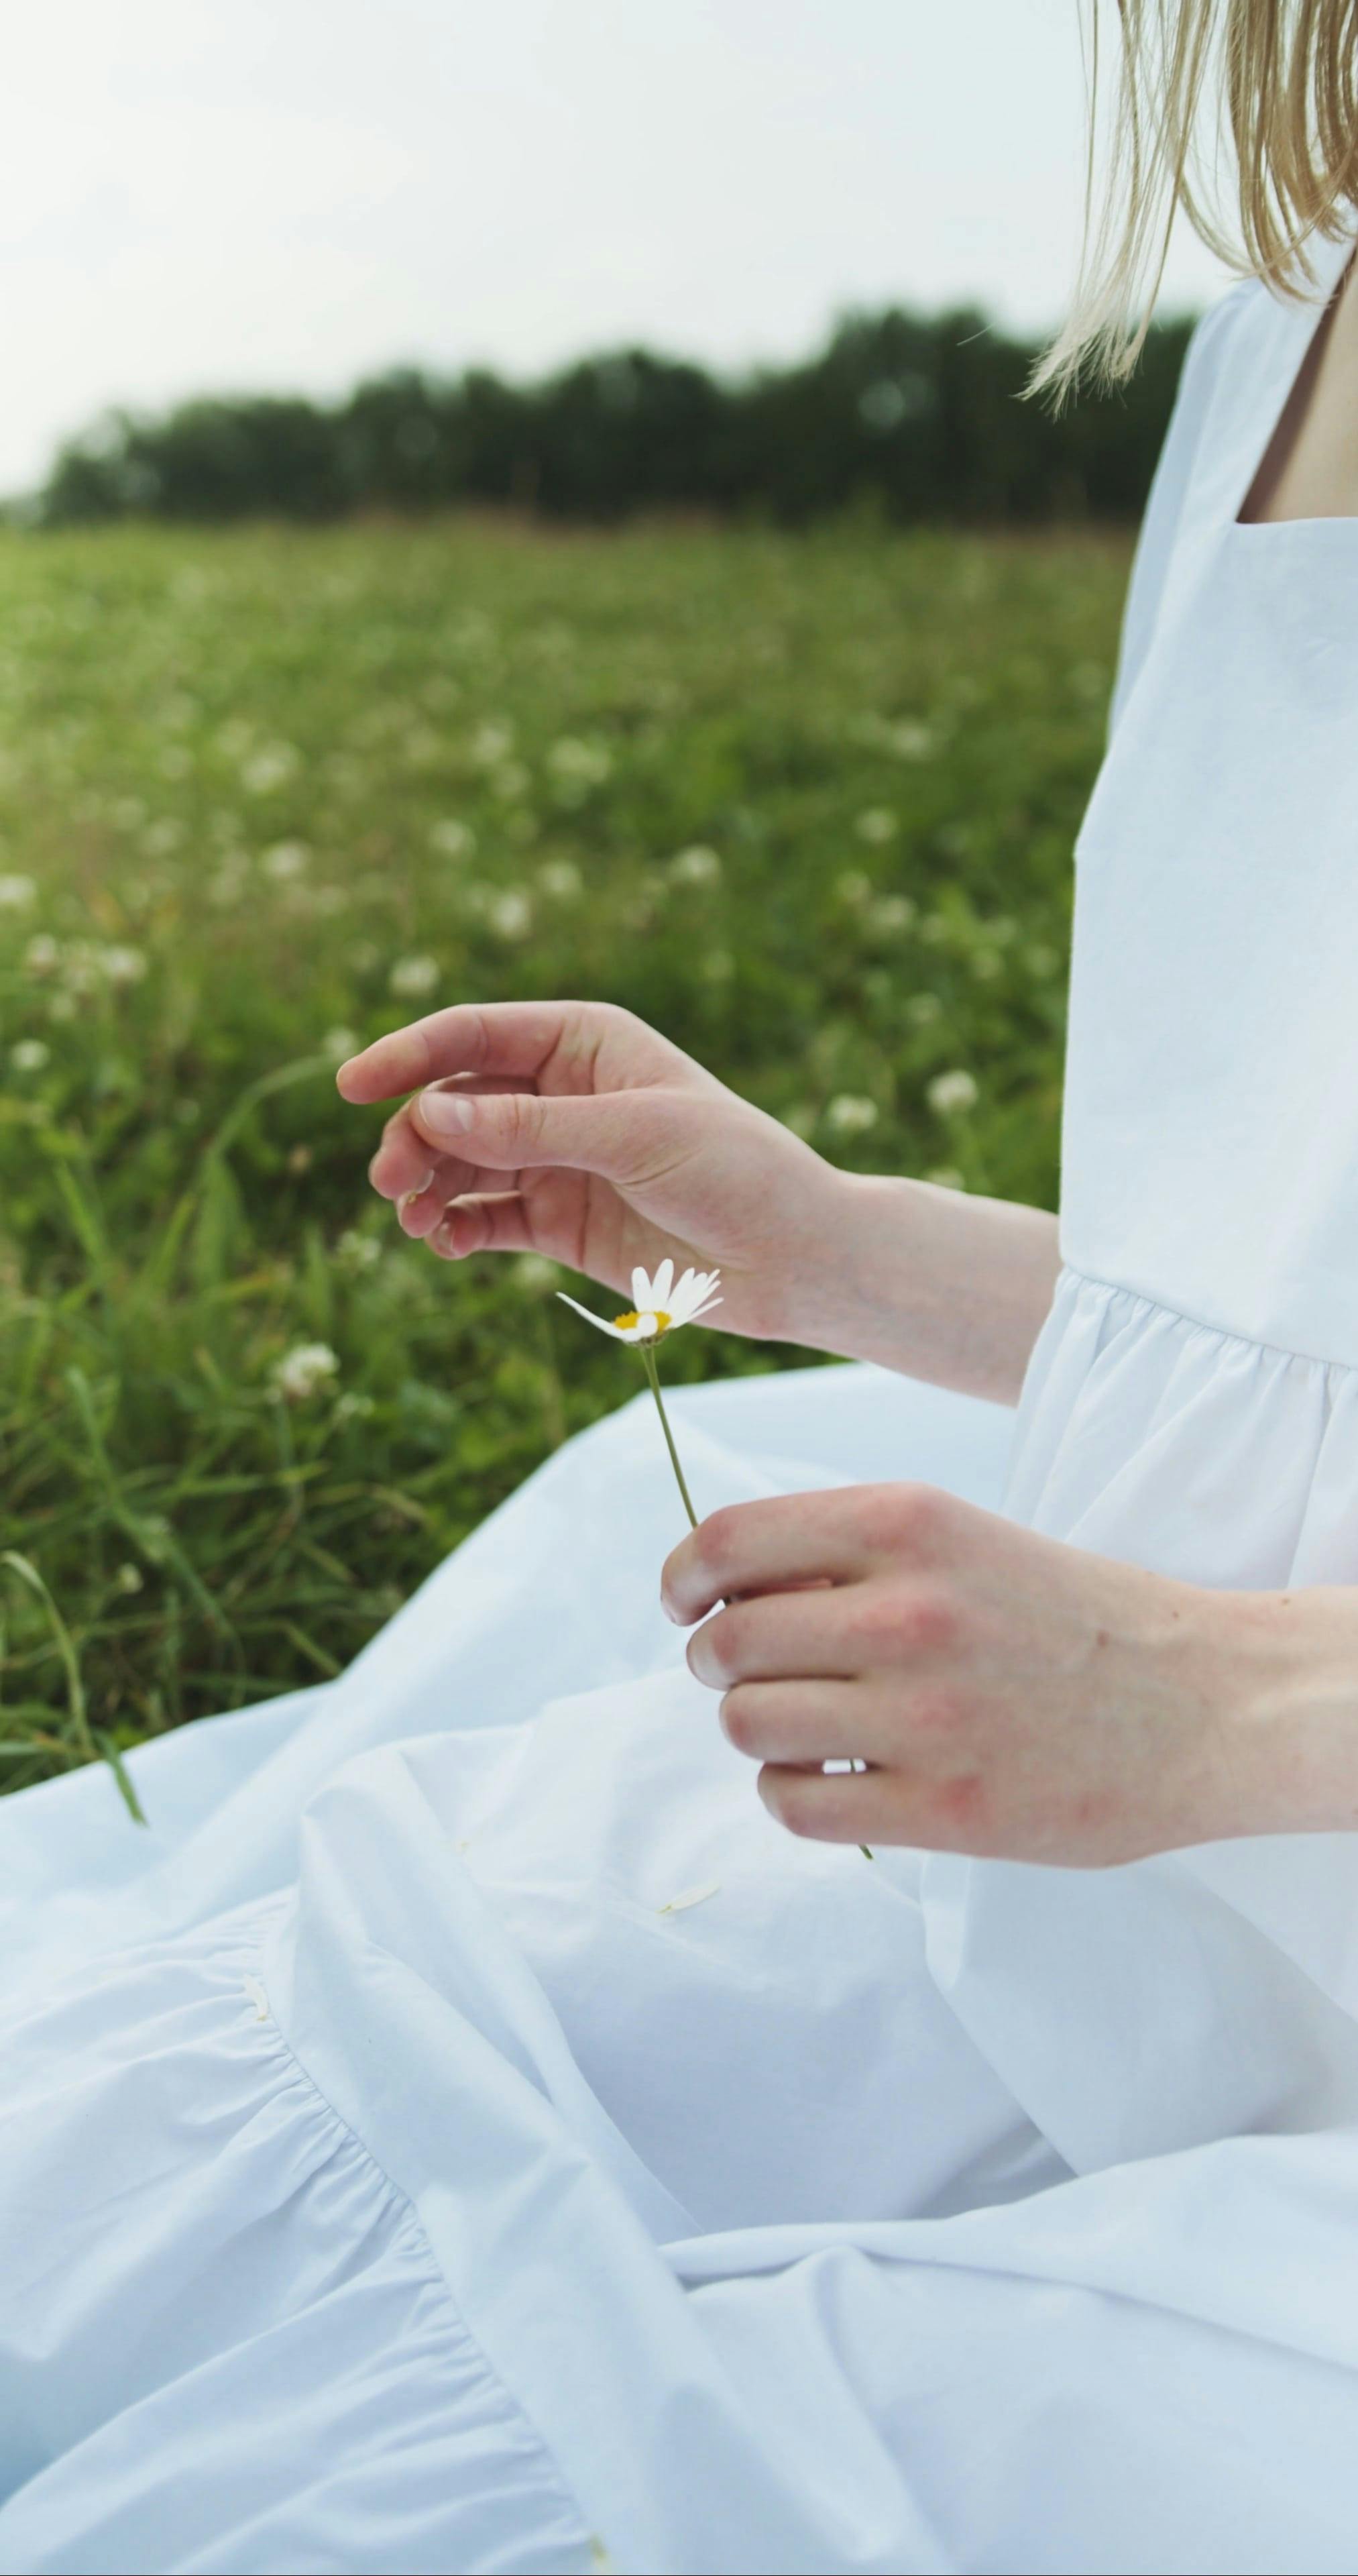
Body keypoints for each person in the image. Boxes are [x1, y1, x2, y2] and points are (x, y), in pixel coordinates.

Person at [5, 4, 1358, 2567]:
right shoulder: (1289, 306)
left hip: (1239, 1838)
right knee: (177, 2170)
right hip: (1138, 1881)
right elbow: (1299, 1338)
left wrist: (1219, 1699)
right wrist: (816, 1234)